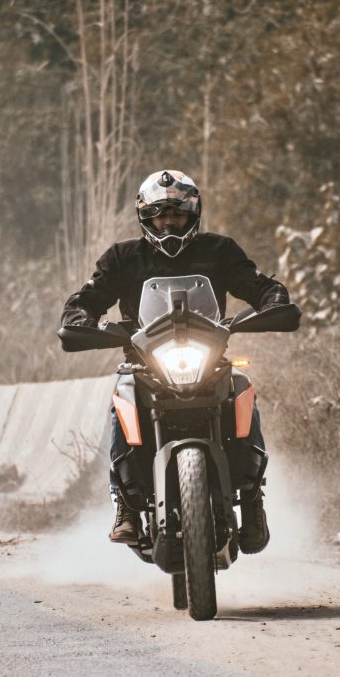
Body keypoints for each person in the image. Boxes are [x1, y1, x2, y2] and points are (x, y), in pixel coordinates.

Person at [60, 169, 291, 553]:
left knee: (241, 388)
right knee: (123, 398)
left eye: (177, 213)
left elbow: (259, 284)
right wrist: (80, 318)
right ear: (145, 216)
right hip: (146, 366)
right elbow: (86, 298)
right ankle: (128, 507)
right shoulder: (121, 258)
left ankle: (252, 500)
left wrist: (274, 301)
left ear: (193, 214)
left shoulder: (219, 251)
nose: (168, 221)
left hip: (208, 361)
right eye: (160, 214)